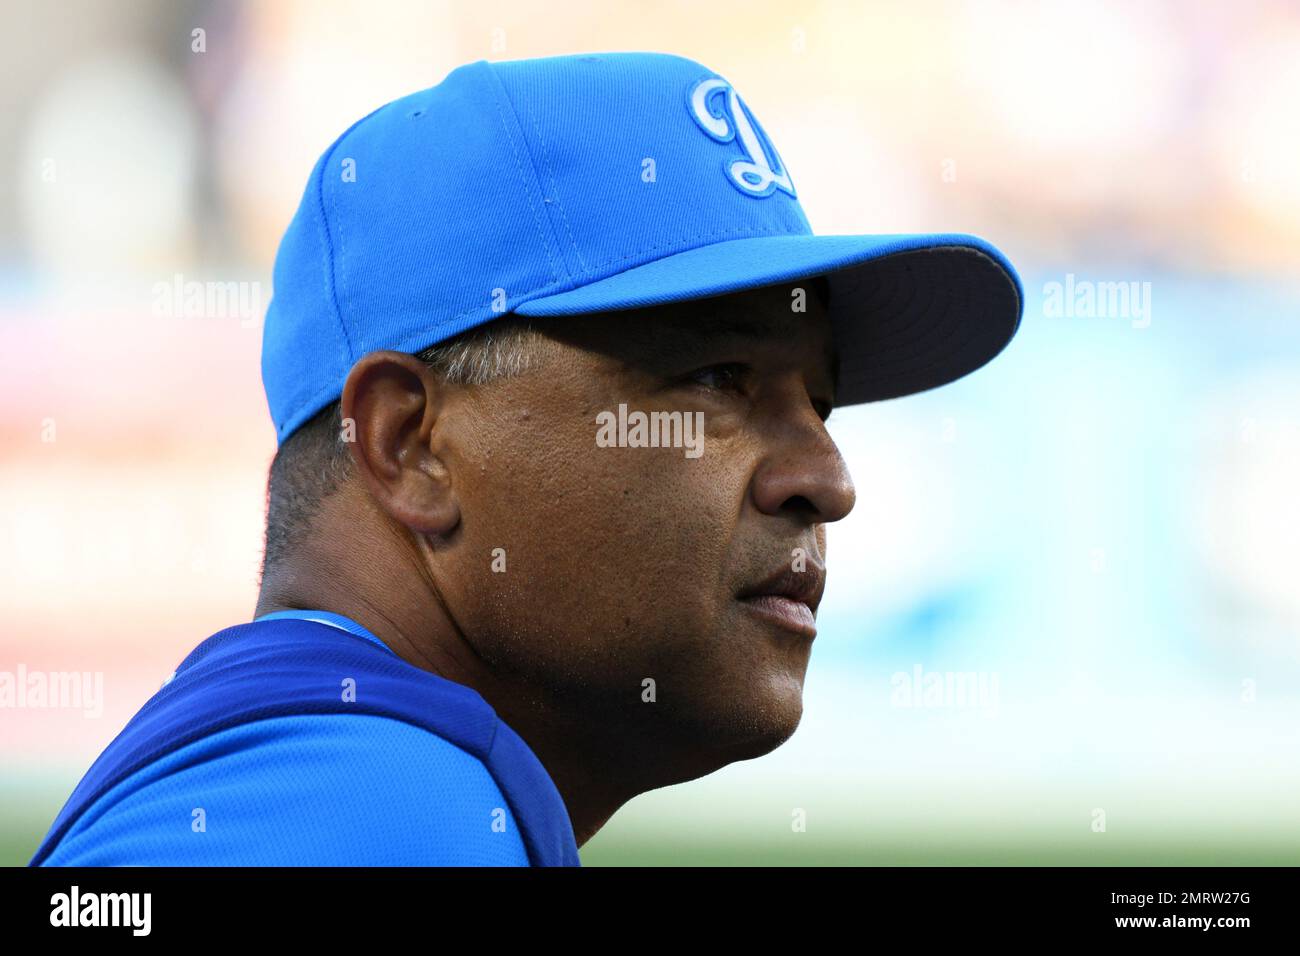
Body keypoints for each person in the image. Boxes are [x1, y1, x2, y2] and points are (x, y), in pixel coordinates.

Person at [31, 50, 1022, 866]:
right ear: (410, 444)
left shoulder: (323, 783)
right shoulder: (377, 819)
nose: (827, 479)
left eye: (818, 399)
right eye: (719, 378)